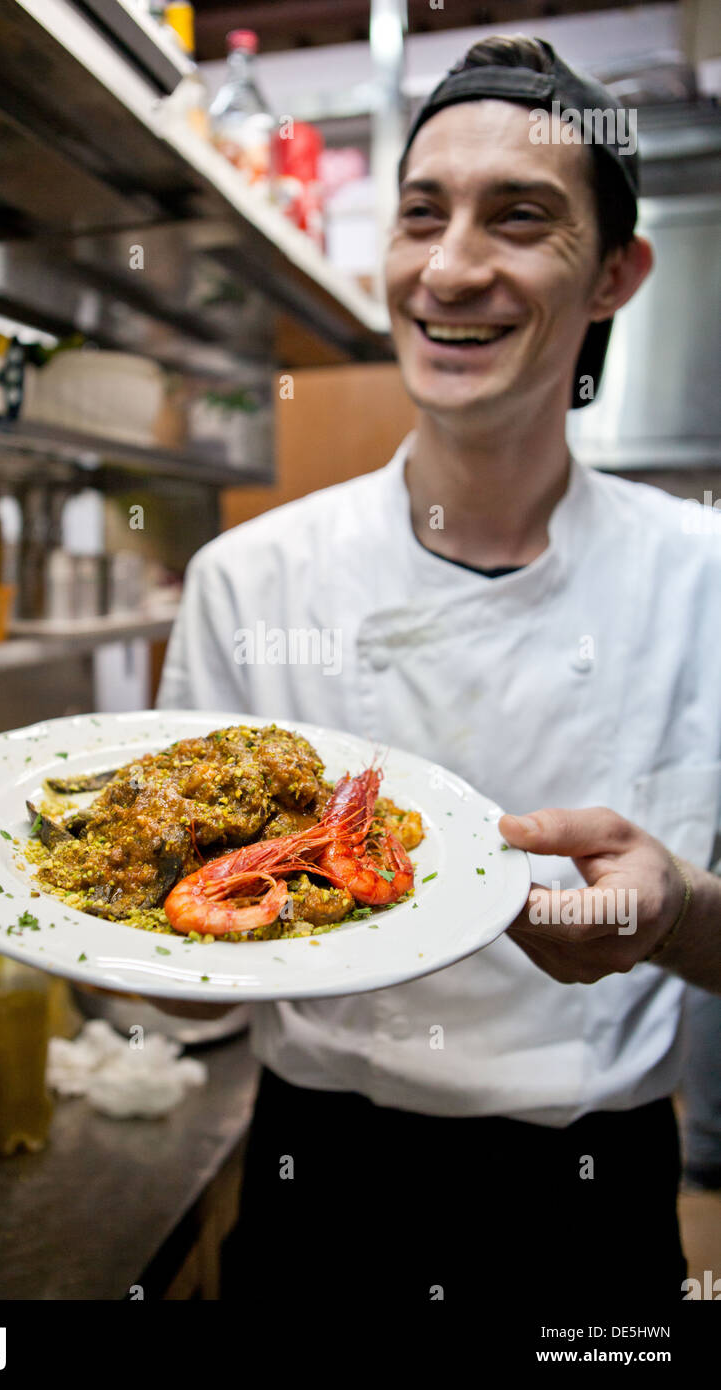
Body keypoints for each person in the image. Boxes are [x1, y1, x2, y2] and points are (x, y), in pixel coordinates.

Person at [155, 35, 721, 1304]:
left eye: (518, 219)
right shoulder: (251, 579)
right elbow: (187, 981)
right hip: (324, 1184)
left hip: (591, 1201)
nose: (451, 266)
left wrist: (680, 911)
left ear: (615, 274)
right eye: (421, 215)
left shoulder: (704, 578)